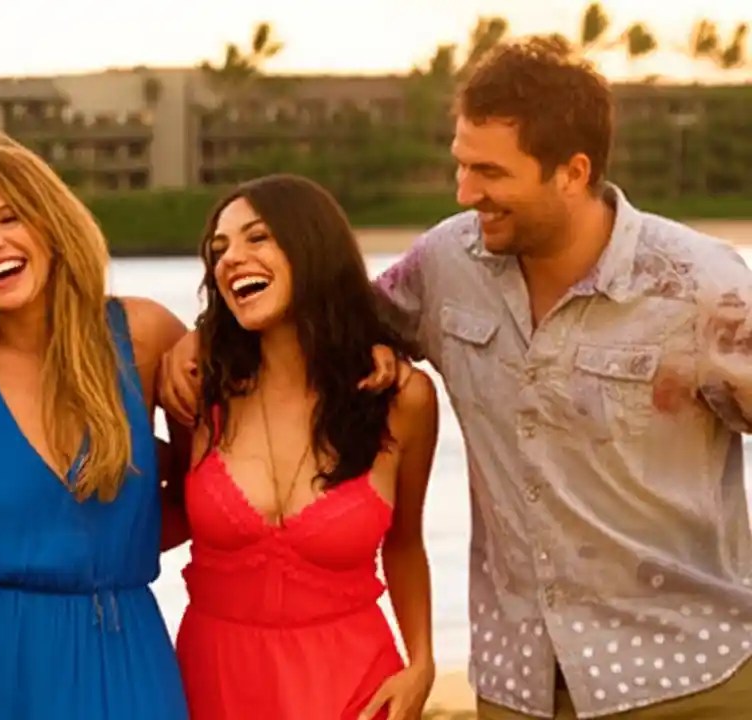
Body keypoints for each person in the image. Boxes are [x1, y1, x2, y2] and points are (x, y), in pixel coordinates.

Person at [160, 36, 752, 719]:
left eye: (490, 173)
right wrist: (201, 336)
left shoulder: (700, 287)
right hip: (520, 687)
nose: (466, 192)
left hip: (689, 677)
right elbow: (330, 312)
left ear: (572, 171)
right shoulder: (447, 263)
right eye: (461, 165)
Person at [0, 132, 191, 719]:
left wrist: (107, 551)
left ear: (52, 222)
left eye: (9, 217)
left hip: (124, 652)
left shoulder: (146, 338)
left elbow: (217, 486)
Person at [174, 174, 438, 720]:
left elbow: (406, 542)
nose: (231, 259)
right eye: (218, 249)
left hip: (354, 689)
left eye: (257, 238)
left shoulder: (402, 398)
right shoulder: (198, 387)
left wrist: (422, 665)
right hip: (213, 685)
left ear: (311, 245)